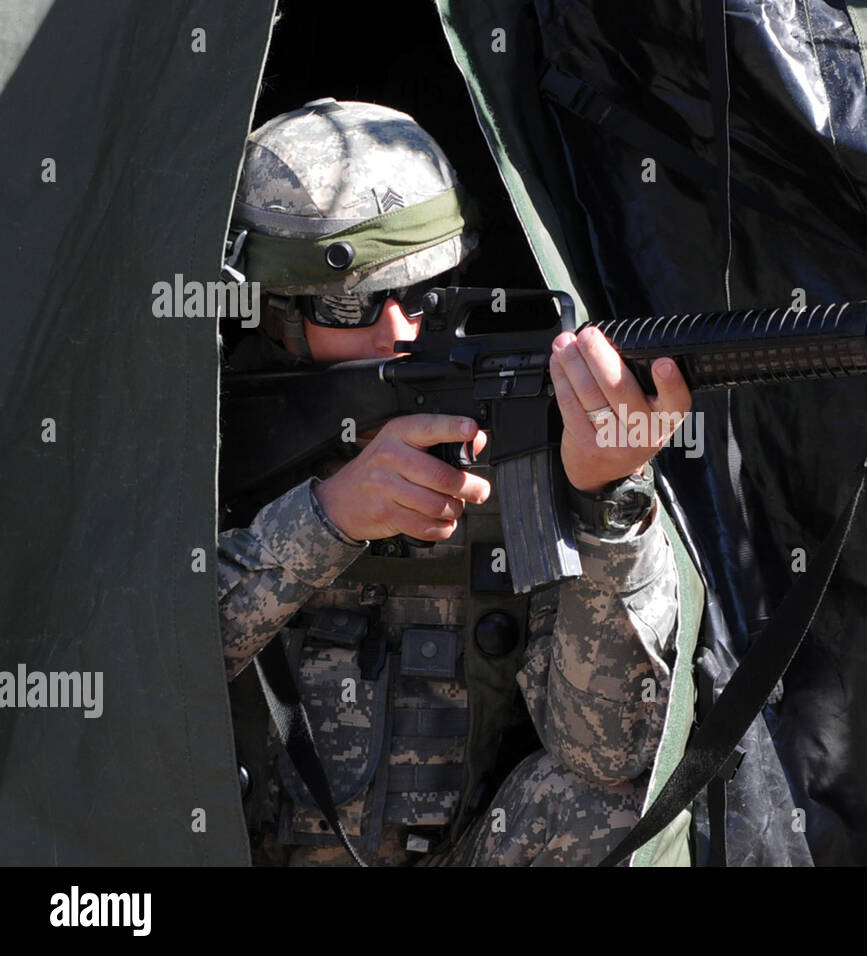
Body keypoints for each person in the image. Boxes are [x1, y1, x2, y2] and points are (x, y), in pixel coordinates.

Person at [217, 98, 693, 865]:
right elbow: (128, 687)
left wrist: (608, 503)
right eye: (352, 302)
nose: (401, 330)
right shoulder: (187, 446)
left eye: (428, 294)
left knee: (613, 809)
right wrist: (323, 521)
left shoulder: (516, 439)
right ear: (273, 313)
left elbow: (610, 758)